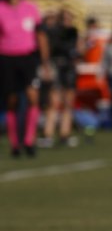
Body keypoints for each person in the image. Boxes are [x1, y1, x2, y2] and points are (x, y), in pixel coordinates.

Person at [0, 0, 49, 158]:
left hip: (27, 58)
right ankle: (15, 144)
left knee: (32, 96)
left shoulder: (30, 8)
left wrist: (45, 61)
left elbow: (41, 35)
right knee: (11, 101)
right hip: (6, 58)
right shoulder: (1, 9)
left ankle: (29, 140)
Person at [38, 8, 81, 147]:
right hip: (57, 66)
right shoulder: (53, 32)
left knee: (68, 103)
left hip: (69, 68)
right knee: (53, 102)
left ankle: (65, 134)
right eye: (64, 18)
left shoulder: (74, 32)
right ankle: (48, 134)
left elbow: (79, 51)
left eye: (69, 18)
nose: (67, 21)